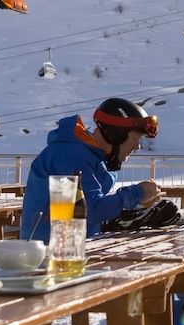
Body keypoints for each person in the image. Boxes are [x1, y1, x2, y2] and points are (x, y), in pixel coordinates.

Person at [20, 97, 162, 242]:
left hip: (72, 247)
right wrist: (138, 193)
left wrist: (137, 204)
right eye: (135, 138)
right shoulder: (70, 155)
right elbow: (90, 210)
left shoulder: (93, 158)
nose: (137, 146)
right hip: (44, 254)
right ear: (116, 134)